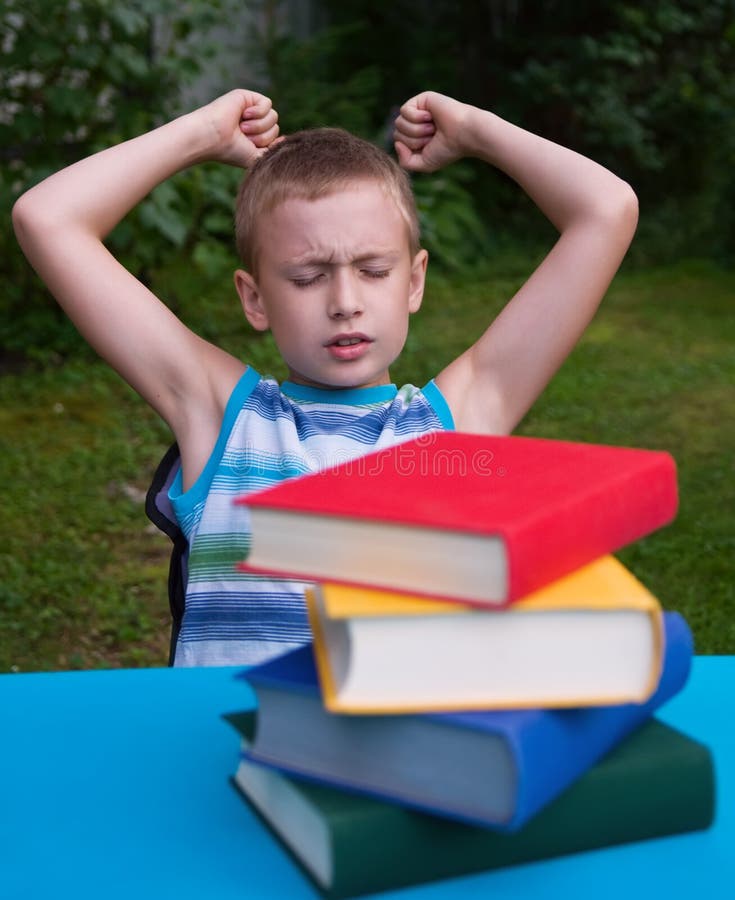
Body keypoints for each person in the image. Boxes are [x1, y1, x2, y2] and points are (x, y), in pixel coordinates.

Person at [12, 89, 638, 666]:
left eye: (373, 270)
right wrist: (201, 133)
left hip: (389, 772)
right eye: (308, 277)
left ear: (414, 281)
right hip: (219, 766)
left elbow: (607, 210)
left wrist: (478, 130)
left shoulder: (456, 425)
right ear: (254, 299)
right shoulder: (221, 419)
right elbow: (48, 219)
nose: (345, 301)